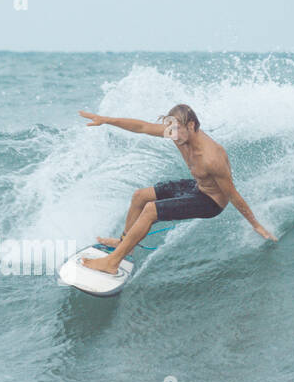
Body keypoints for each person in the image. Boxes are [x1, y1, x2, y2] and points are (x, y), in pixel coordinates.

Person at [77, 104, 276, 273]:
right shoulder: (178, 133)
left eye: (178, 129)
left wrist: (255, 224)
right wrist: (106, 119)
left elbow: (232, 194)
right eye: (171, 129)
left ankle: (112, 263)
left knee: (150, 210)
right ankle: (124, 246)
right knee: (140, 196)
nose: (173, 135)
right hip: (196, 187)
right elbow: (141, 126)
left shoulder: (211, 157)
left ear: (191, 125)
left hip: (211, 202)